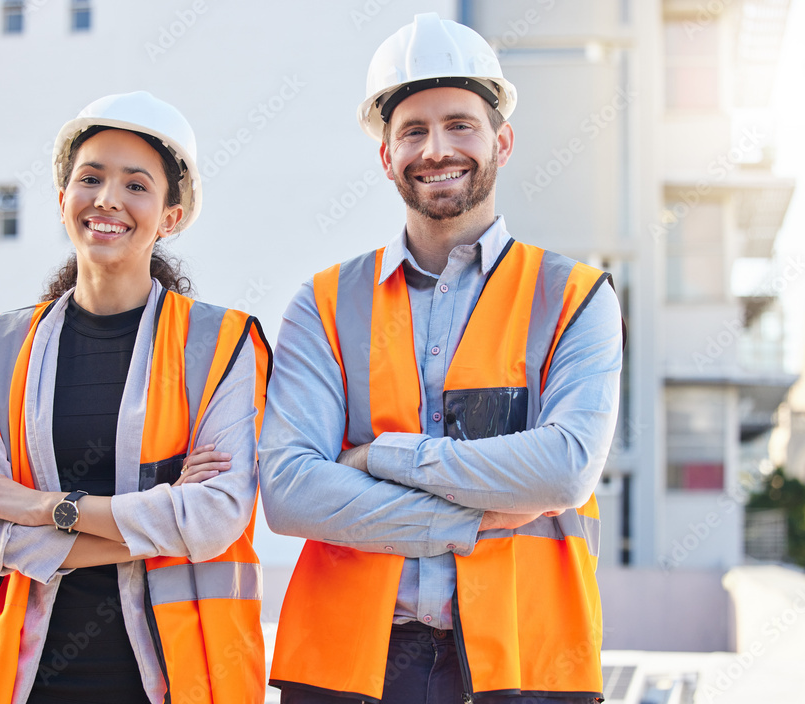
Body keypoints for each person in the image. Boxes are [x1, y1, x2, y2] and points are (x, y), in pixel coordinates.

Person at [259, 13, 623, 704]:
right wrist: (470, 518)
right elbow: (288, 490)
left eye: (460, 124)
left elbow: (564, 468)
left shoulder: (574, 297)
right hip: (347, 668)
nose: (437, 148)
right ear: (386, 155)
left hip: (524, 661)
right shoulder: (325, 304)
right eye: (414, 131)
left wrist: (379, 456)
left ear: (502, 141)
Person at [0, 91, 271, 704]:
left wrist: (46, 507)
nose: (107, 200)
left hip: (180, 680)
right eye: (90, 178)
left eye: (136, 185)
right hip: (27, 681)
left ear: (170, 217)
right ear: (63, 198)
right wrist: (162, 513)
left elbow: (214, 518)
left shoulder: (222, 343)